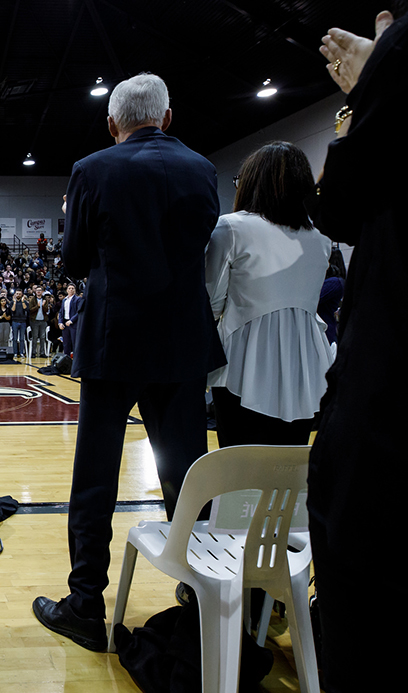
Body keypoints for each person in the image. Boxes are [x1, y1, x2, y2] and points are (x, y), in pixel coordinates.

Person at [33, 73, 222, 651]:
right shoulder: (202, 169)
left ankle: (87, 605)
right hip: (183, 342)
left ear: (112, 124)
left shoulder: (94, 169)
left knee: (95, 479)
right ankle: (202, 595)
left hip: (114, 341)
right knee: (188, 477)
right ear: (168, 118)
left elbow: (72, 262)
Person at [308, 8, 405, 690]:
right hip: (305, 361)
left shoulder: (404, 54)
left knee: (366, 597)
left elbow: (340, 203)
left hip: (394, 389)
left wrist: (370, 92)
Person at [205, 142, 332, 447]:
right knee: (289, 461)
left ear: (251, 182)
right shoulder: (320, 239)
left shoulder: (231, 228)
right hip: (307, 360)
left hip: (243, 359)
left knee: (240, 464)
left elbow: (211, 302)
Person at [58, 284, 81, 359]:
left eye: (72, 288)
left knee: (74, 343)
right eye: (69, 288)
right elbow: (61, 312)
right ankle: (66, 361)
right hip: (65, 323)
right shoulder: (64, 300)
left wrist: (71, 320)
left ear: (75, 290)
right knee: (66, 343)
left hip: (73, 324)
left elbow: (79, 312)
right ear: (67, 290)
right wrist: (60, 322)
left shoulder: (78, 299)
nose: (71, 289)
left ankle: (76, 361)